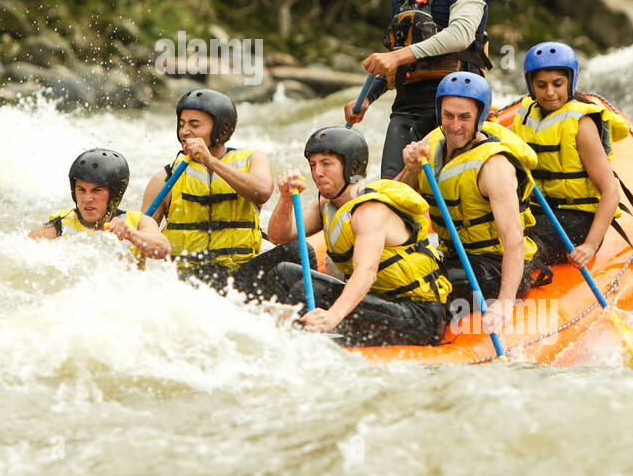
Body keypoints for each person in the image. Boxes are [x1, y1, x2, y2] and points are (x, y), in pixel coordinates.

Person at [263, 126, 450, 346]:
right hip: (381, 301)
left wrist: (332, 316)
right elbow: (279, 236)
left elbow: (366, 272)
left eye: (326, 164)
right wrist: (285, 198)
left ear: (352, 167)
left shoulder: (369, 212)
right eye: (313, 165)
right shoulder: (328, 206)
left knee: (298, 286)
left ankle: (308, 337)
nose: (317, 173)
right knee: (283, 274)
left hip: (418, 315)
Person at [344, 0, 492, 179]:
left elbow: (461, 35)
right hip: (409, 105)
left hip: (457, 99)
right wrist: (368, 97)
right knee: (390, 184)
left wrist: (398, 58)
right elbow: (395, 58)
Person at [397, 72, 538, 334]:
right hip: (453, 256)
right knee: (397, 272)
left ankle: (421, 330)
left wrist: (505, 303)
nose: (454, 125)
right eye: (448, 115)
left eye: (464, 117)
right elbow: (397, 202)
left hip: (493, 267)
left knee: (420, 284)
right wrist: (410, 169)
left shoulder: (494, 166)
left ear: (480, 118)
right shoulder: (432, 141)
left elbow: (514, 239)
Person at [141, 88, 273, 293]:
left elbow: (262, 192)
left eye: (194, 125)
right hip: (191, 279)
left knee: (299, 254)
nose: (185, 131)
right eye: (182, 124)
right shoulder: (165, 178)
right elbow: (144, 227)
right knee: (208, 273)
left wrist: (209, 161)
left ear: (222, 129)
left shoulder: (253, 159)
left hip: (243, 275)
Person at [510, 42, 626, 267]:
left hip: (577, 220)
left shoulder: (581, 125)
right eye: (541, 85)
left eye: (557, 84)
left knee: (516, 242)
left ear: (570, 82)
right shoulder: (526, 114)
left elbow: (610, 192)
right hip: (538, 211)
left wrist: (590, 245)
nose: (550, 92)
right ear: (531, 86)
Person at [29, 148, 170, 261]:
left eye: (96, 191)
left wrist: (130, 234)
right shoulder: (59, 226)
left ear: (114, 194)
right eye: (81, 190)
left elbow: (163, 250)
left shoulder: (139, 222)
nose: (87, 198)